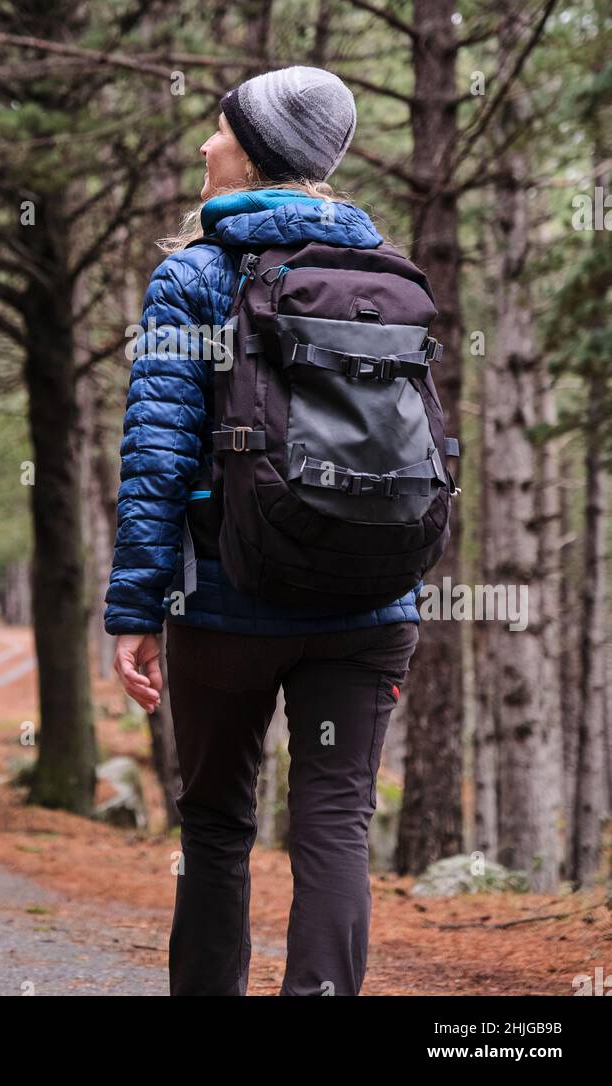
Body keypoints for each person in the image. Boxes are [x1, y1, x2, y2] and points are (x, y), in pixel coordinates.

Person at [104, 65, 420, 996]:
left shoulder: (193, 275)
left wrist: (134, 609)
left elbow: (158, 458)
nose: (204, 145)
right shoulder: (388, 274)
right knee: (334, 824)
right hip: (369, 601)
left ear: (255, 153)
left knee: (214, 825)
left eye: (218, 131)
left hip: (227, 600)